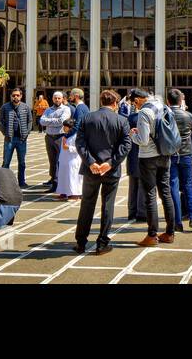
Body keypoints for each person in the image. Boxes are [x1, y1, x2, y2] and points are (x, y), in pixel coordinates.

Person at [74, 89, 131, 255]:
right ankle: (102, 242)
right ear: (115, 103)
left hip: (91, 169)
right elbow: (126, 145)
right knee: (108, 205)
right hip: (110, 170)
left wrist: (91, 162)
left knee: (87, 204)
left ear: (101, 101)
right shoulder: (121, 120)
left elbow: (80, 143)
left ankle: (81, 242)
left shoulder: (87, 118)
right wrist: (111, 163)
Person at [129, 89, 177, 246]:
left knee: (150, 194)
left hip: (148, 157)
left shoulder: (145, 112)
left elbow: (142, 140)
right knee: (166, 192)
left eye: (134, 103)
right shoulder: (165, 107)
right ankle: (170, 233)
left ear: (138, 100)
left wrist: (132, 135)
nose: (135, 106)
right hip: (165, 153)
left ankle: (152, 235)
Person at [166, 89, 192, 232]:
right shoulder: (188, 115)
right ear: (180, 101)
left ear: (168, 101)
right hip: (186, 153)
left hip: (171, 154)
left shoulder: (165, 115)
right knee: (189, 185)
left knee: (173, 186)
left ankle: (177, 221)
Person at [0, 87, 33, 188]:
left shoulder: (25, 107)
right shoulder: (5, 107)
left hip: (22, 139)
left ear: (21, 96)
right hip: (9, 139)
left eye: (17, 95)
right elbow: (0, 122)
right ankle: (4, 182)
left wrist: (26, 132)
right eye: (13, 95)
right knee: (6, 162)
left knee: (21, 162)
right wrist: (5, 133)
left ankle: (21, 181)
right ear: (11, 96)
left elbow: (30, 121)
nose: (15, 97)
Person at [39, 91, 70, 193]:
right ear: (52, 99)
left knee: (59, 160)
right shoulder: (48, 109)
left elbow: (62, 121)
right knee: (52, 161)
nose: (57, 100)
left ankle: (58, 183)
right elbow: (41, 121)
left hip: (59, 137)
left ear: (62, 99)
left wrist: (49, 121)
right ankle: (53, 180)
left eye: (59, 98)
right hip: (49, 137)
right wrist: (54, 120)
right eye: (55, 98)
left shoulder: (66, 109)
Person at [56, 115, 84, 200]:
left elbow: (80, 148)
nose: (64, 128)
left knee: (72, 176)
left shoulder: (76, 136)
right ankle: (64, 191)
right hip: (64, 159)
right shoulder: (65, 135)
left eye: (66, 127)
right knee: (63, 176)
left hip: (73, 159)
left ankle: (74, 193)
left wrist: (68, 147)